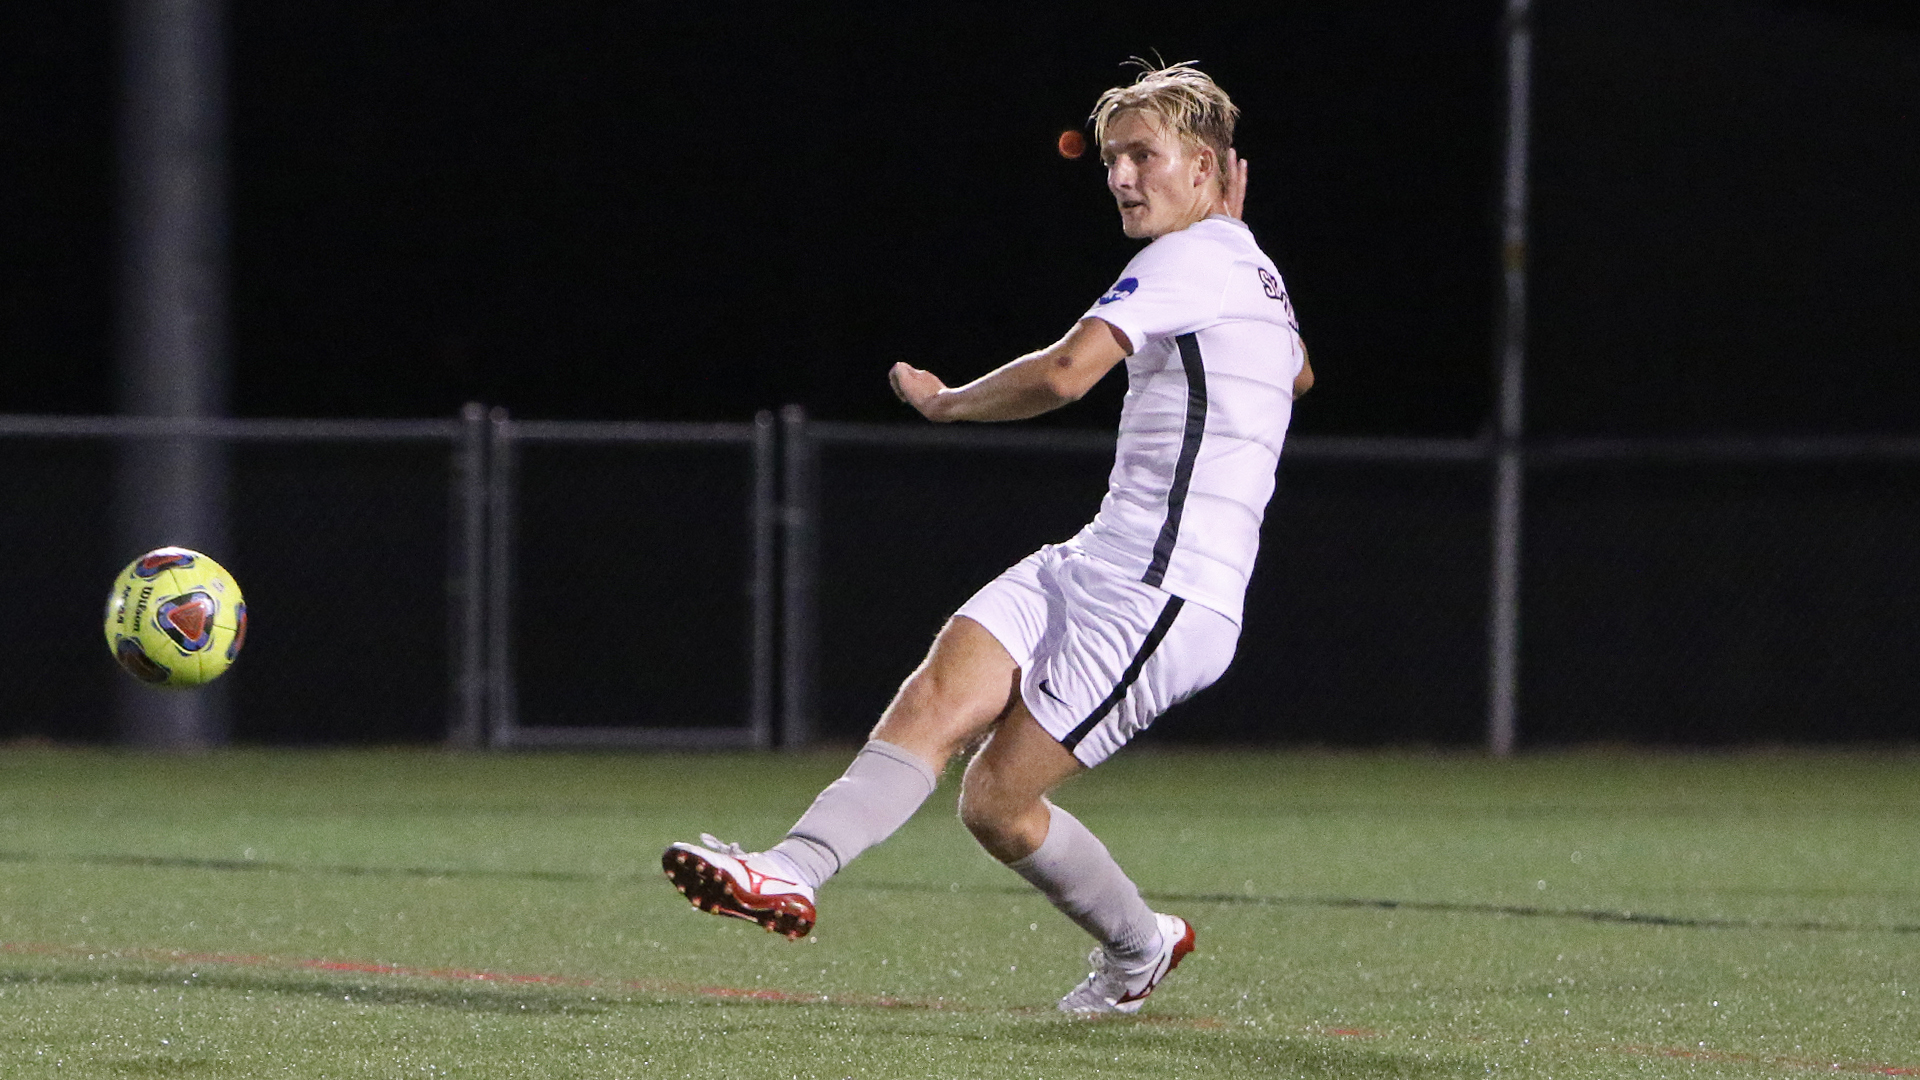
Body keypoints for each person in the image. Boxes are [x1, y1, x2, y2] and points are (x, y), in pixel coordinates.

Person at [663, 60, 1312, 1014]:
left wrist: (949, 404)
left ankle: (1142, 948)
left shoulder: (1192, 259)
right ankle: (790, 870)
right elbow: (1295, 374)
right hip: (1096, 558)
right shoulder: (1246, 264)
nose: (1122, 178)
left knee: (996, 804)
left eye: (1145, 156)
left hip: (1167, 596)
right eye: (1110, 161)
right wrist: (1233, 229)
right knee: (932, 700)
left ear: (1208, 166)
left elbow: (1063, 375)